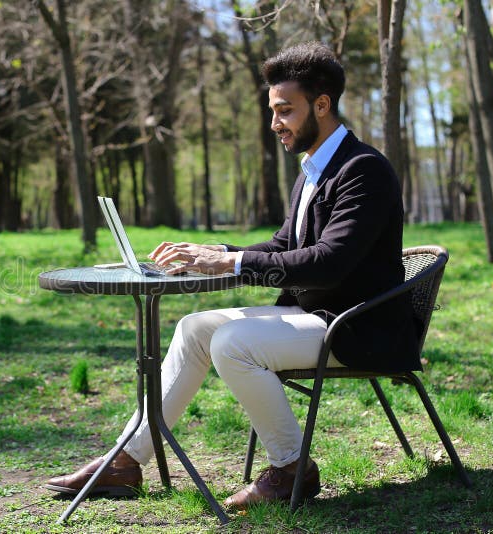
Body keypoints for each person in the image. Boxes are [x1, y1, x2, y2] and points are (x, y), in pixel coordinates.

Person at [45, 41, 420, 510]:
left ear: (322, 105)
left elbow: (329, 261)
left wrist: (233, 264)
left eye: (285, 110)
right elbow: (287, 246)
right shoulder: (313, 171)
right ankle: (127, 459)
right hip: (318, 313)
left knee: (232, 343)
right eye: (273, 110)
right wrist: (217, 251)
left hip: (359, 326)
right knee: (195, 327)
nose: (275, 123)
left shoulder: (363, 171)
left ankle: (291, 468)